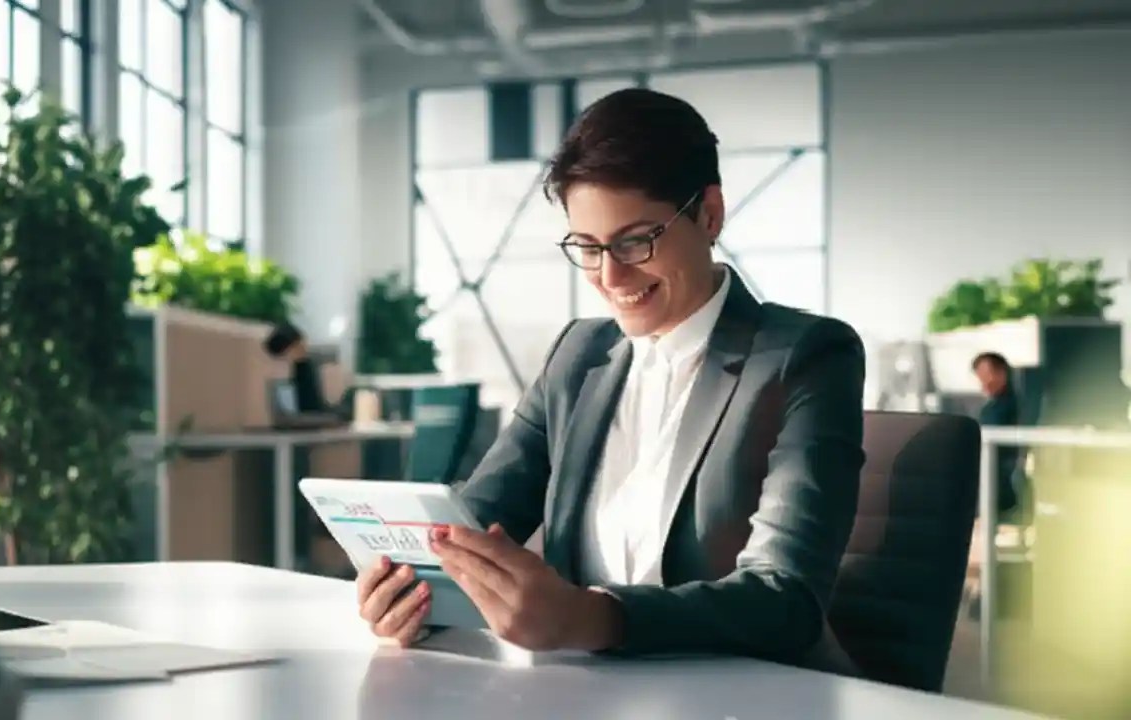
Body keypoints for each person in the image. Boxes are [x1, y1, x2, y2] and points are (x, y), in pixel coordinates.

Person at [356, 88, 866, 665]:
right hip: (588, 692)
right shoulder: (578, 356)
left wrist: (591, 617)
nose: (609, 274)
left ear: (710, 214)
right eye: (587, 246)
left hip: (752, 693)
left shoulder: (806, 355)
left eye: (635, 240)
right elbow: (475, 524)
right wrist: (416, 591)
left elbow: (786, 599)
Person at [972, 351, 1020, 514]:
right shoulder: (991, 408)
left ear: (1002, 372)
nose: (984, 383)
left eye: (987, 375)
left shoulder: (1016, 405)